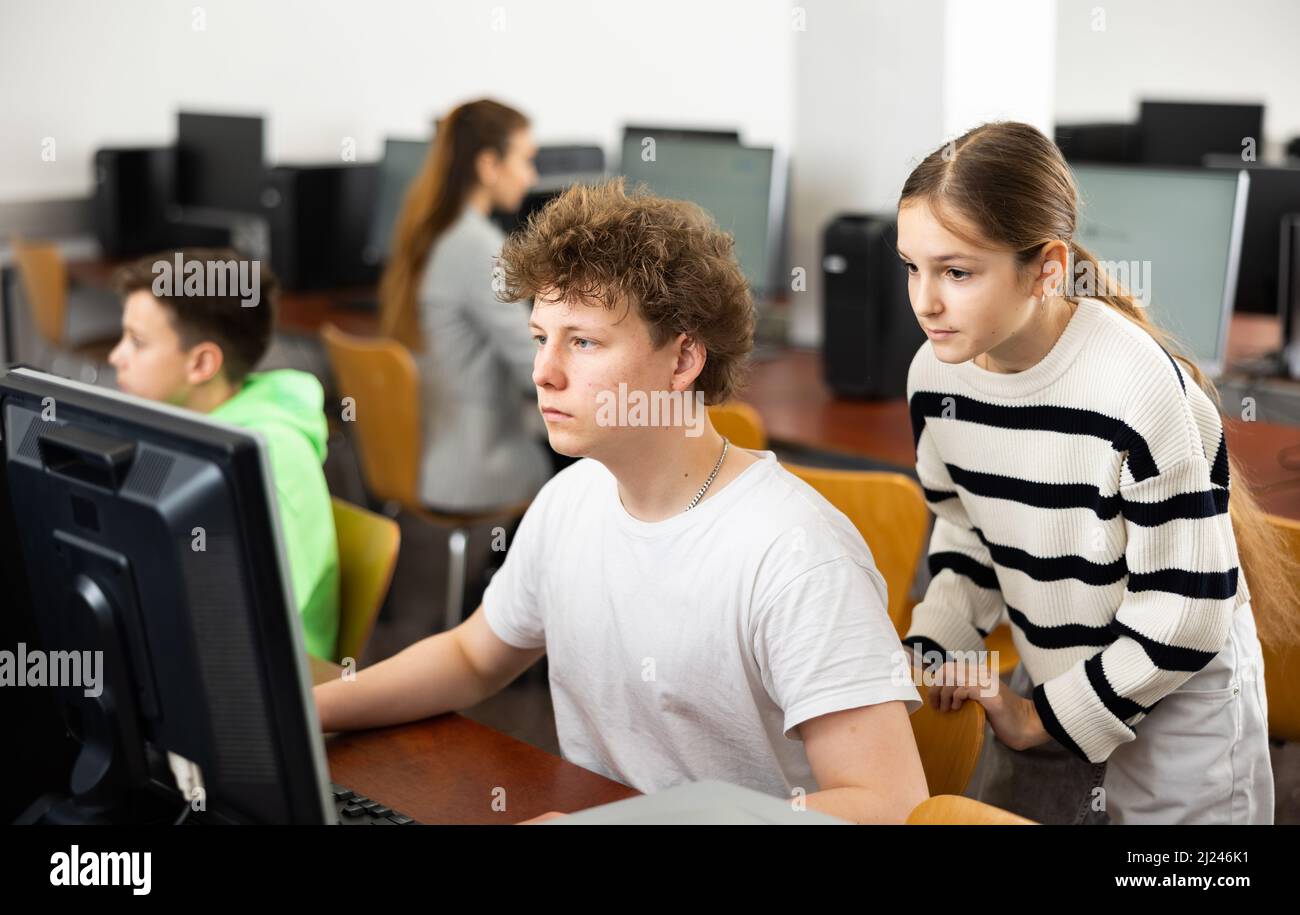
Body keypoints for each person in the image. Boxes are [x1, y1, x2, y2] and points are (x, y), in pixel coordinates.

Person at [314, 179, 928, 823]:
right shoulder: (570, 498)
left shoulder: (796, 554)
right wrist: (312, 708)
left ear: (684, 357)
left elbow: (886, 804)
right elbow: (472, 657)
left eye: (582, 342)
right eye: (538, 337)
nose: (543, 372)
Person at [896, 121, 1299, 824]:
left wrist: (1040, 719)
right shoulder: (936, 378)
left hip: (1175, 695)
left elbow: (1185, 614)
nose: (925, 300)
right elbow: (968, 531)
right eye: (911, 266)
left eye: (956, 271)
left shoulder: (1134, 383)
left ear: (1048, 267)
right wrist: (940, 641)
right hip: (1057, 665)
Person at [109, 248, 339, 660]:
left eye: (137, 342)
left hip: (261, 687)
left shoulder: (273, 462)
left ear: (201, 364)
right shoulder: (177, 426)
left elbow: (238, 625)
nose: (115, 356)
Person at [379, 98, 552, 512]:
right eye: (525, 160)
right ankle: (520, 573)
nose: (532, 176)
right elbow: (536, 373)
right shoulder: (478, 248)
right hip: (474, 464)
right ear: (489, 165)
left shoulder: (426, 232)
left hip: (425, 446)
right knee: (587, 463)